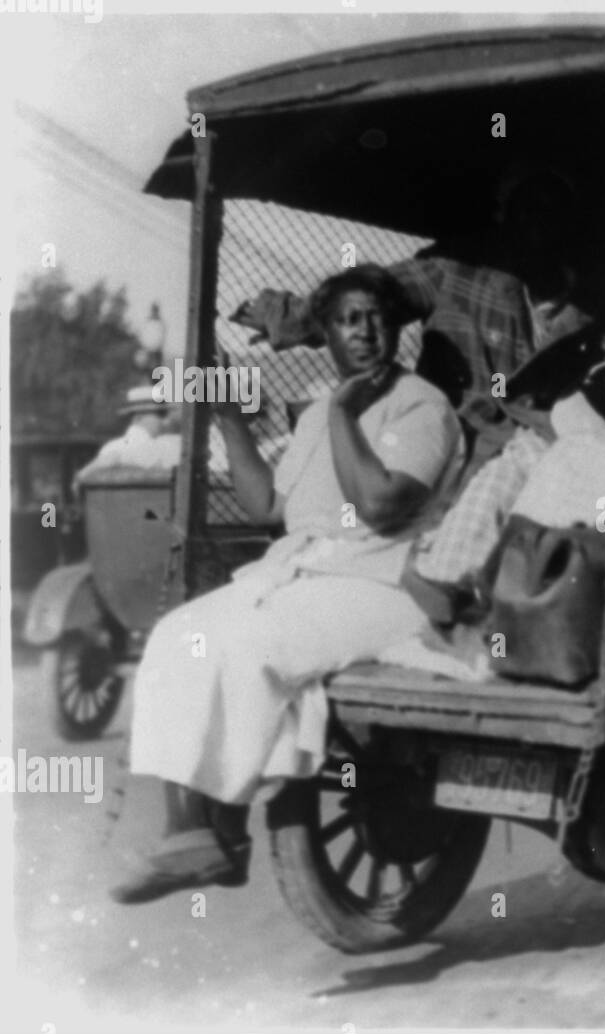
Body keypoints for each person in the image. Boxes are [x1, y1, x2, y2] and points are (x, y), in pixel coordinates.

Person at [111, 264, 463, 904]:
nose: (365, 332)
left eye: (378, 318)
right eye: (348, 320)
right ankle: (190, 833)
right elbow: (267, 507)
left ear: (398, 329)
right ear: (325, 333)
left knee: (250, 646)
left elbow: (382, 505)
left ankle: (228, 823)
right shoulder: (318, 412)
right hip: (306, 575)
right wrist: (230, 418)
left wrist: (343, 418)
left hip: (385, 585)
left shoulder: (422, 405)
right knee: (176, 634)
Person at [230, 166, 592, 499]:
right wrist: (294, 316)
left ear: (570, 224)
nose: (536, 226)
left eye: (551, 211)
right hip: (456, 441)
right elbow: (376, 290)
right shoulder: (456, 271)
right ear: (506, 216)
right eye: (526, 210)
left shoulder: (591, 308)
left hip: (546, 453)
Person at [76, 385, 181, 479]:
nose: (166, 421)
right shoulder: (168, 446)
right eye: (160, 414)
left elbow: (107, 461)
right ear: (138, 417)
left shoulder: (113, 447)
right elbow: (111, 458)